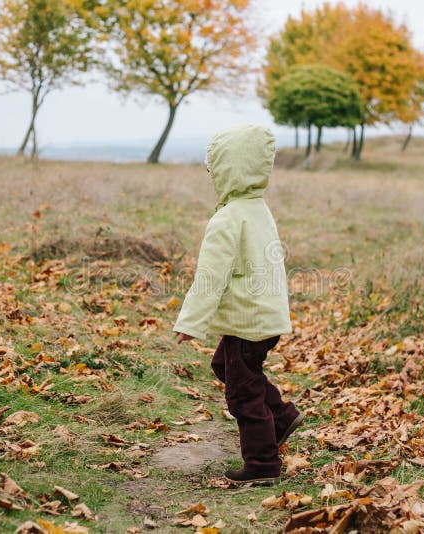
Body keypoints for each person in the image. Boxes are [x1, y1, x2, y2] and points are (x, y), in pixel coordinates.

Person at [173, 124, 303, 485]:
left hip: (248, 320)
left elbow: (210, 278)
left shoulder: (228, 218)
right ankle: (280, 415)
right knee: (225, 366)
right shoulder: (258, 209)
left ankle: (261, 464)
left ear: (227, 171)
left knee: (242, 391)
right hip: (265, 316)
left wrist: (190, 323)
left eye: (213, 168)